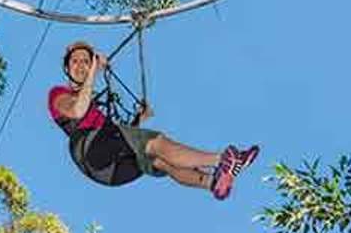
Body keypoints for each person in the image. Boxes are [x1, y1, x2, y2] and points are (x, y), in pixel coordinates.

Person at [49, 40, 260, 198]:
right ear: (67, 69)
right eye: (75, 61)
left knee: (161, 162)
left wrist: (139, 119)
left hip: (113, 170)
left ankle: (214, 182)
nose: (81, 65)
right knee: (156, 143)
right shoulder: (58, 94)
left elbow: (122, 141)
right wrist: (95, 67)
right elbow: (77, 111)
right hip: (90, 153)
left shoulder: (94, 109)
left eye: (86, 61)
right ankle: (222, 159)